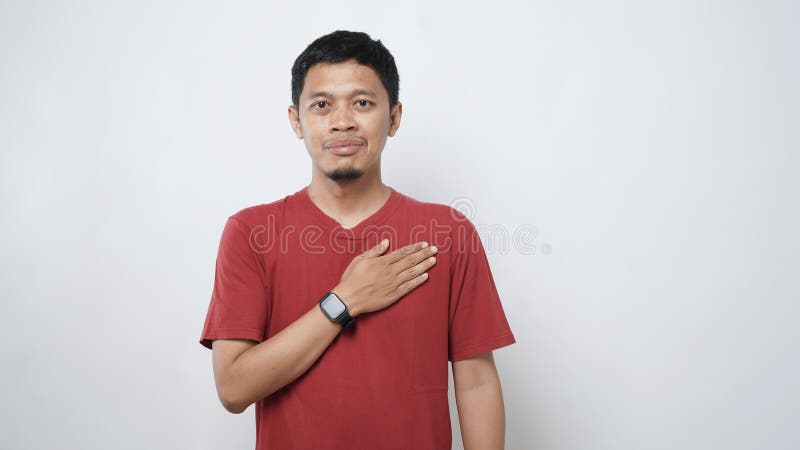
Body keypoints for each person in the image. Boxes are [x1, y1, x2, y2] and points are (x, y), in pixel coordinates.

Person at [199, 30, 516, 450]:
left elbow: (475, 383)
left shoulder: (448, 233)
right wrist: (343, 302)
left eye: (362, 103)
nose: (343, 120)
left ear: (395, 116)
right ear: (297, 120)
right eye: (322, 105)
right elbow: (234, 388)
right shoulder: (251, 232)